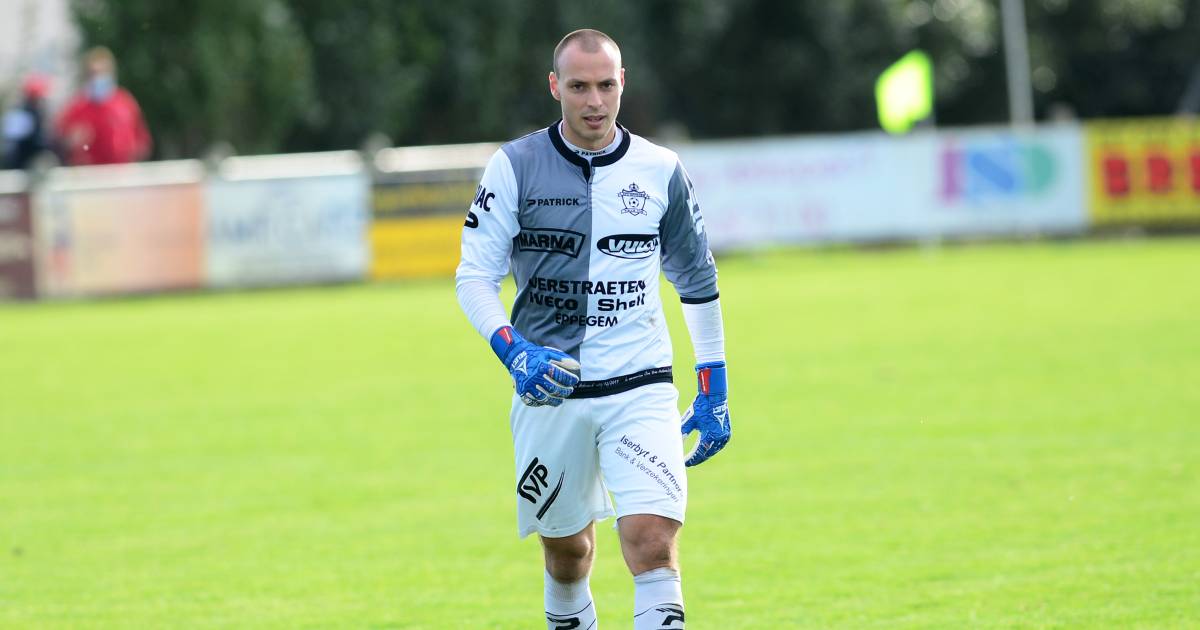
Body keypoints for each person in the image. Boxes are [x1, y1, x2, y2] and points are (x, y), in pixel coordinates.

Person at [456, 28, 731, 629]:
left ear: (622, 84)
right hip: (549, 388)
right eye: (578, 86)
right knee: (567, 552)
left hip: (641, 384)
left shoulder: (661, 170)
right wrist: (513, 350)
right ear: (555, 86)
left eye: (606, 85)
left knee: (651, 539)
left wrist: (713, 381)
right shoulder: (513, 167)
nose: (594, 101)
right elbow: (473, 278)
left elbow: (697, 278)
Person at [55, 46, 151, 166]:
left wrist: (133, 151)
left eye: (103, 72)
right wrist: (71, 141)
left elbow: (142, 140)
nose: (98, 78)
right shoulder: (77, 107)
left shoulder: (125, 102)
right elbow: (59, 140)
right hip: (89, 177)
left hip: (123, 175)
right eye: (94, 73)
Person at [1, 75, 53, 170]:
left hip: (33, 161)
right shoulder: (20, 113)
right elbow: (13, 143)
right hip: (20, 163)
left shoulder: (38, 113)